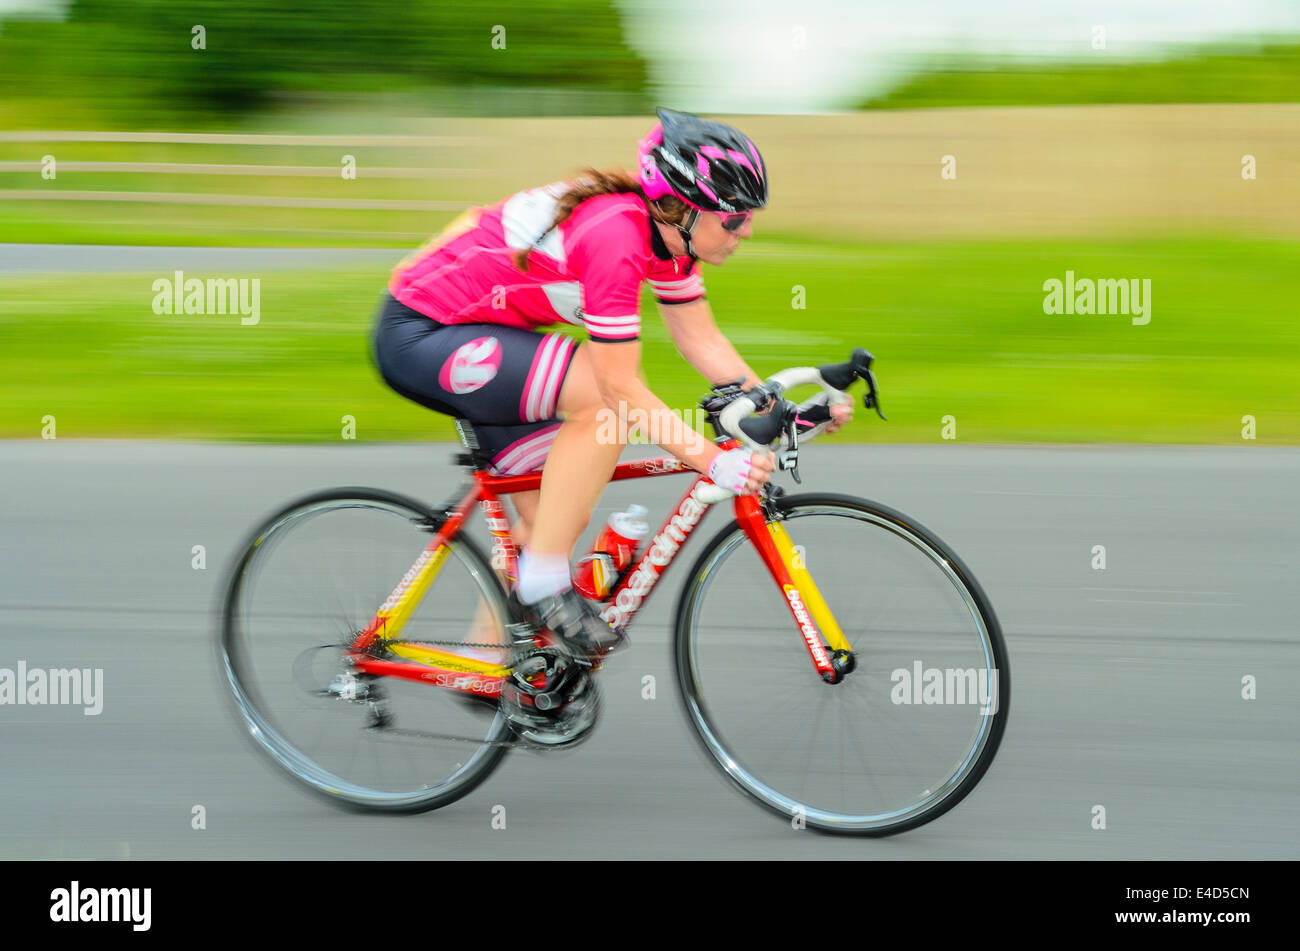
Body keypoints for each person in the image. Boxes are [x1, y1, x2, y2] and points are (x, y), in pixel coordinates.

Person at [371, 107, 852, 659]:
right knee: (601, 406)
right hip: (421, 332)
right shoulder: (615, 237)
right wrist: (712, 460)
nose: (746, 230)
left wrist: (780, 412)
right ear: (684, 209)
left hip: (488, 336)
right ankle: (544, 585)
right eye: (736, 217)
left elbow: (702, 342)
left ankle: (491, 671)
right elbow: (619, 388)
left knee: (556, 516)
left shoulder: (672, 241)